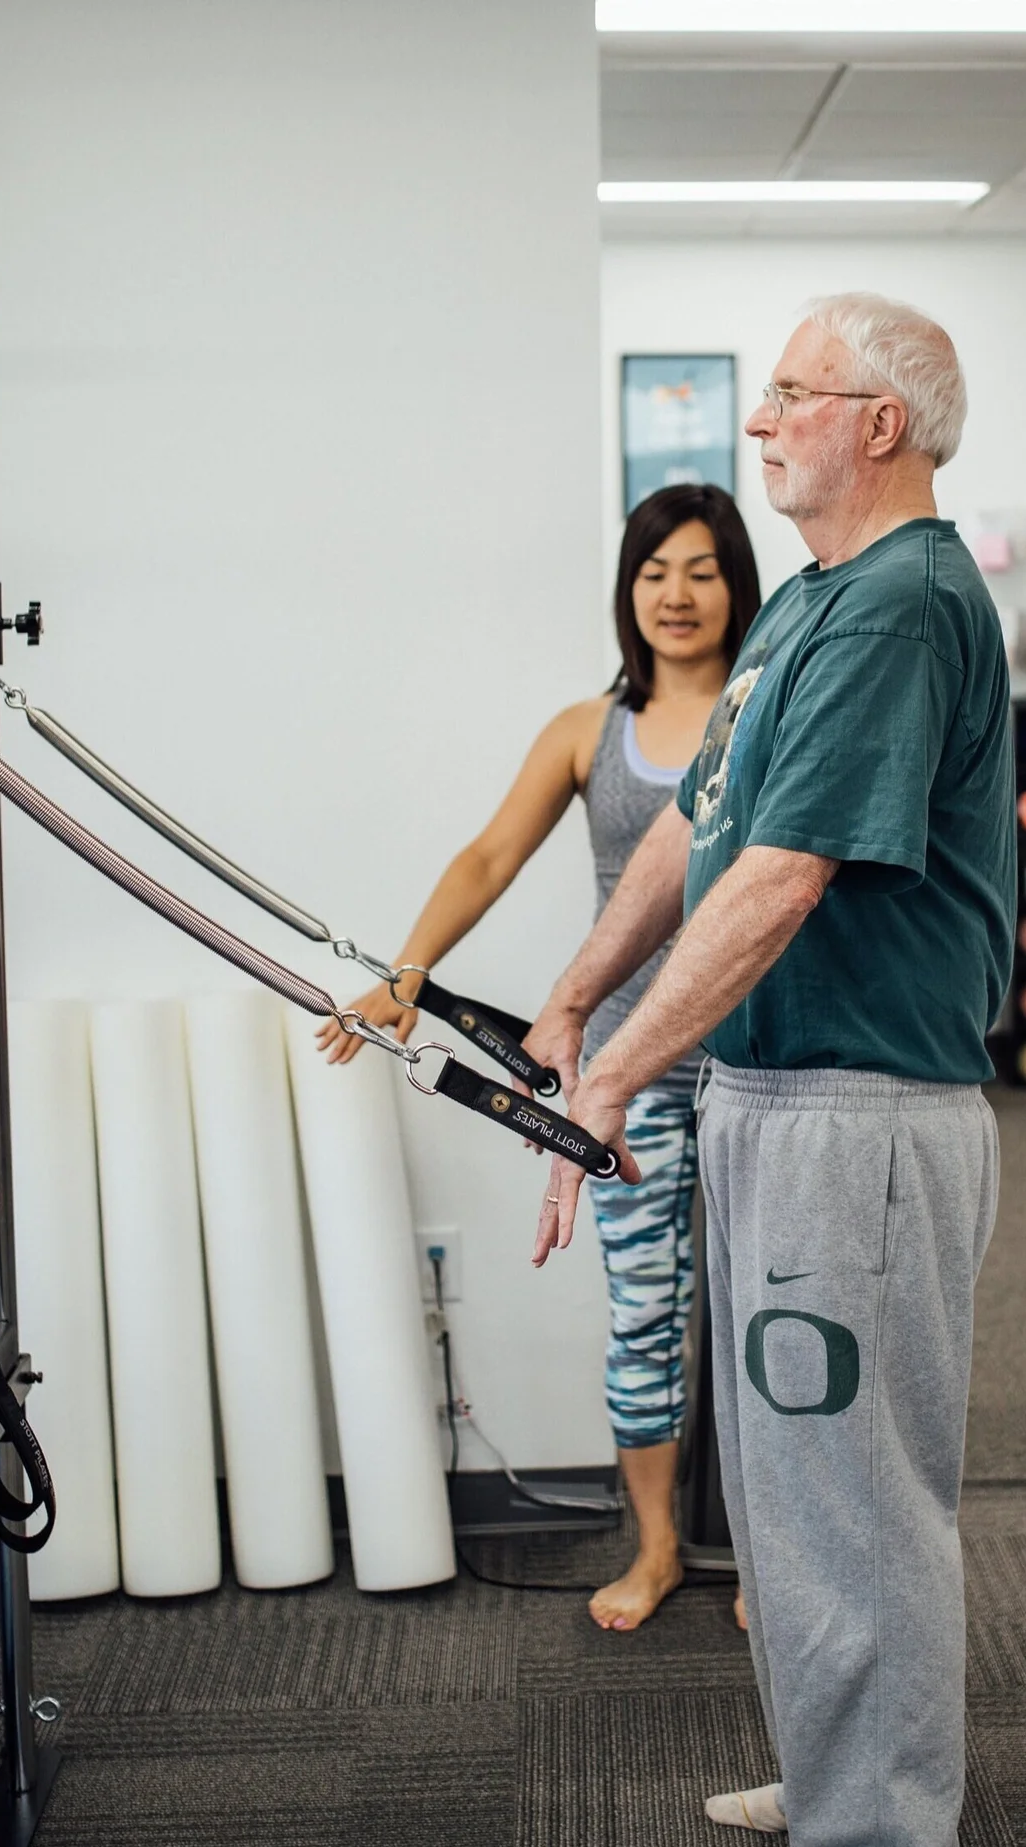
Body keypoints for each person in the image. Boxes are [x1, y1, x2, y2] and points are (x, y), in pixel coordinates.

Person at [525, 294, 1013, 1847]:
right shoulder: (814, 601)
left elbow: (785, 883)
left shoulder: (904, 609)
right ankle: (839, 1784)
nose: (761, 427)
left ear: (881, 424)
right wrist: (581, 1006)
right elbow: (695, 830)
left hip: (858, 1119)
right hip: (775, 1104)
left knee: (854, 1505)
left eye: (792, 397)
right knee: (795, 1499)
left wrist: (603, 1089)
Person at [315, 484, 761, 1633]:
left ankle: (773, 1557)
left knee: (765, 1316)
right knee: (646, 1316)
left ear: (737, 583)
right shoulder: (586, 732)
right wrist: (410, 976)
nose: (676, 592)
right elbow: (486, 855)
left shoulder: (772, 713)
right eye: (656, 569)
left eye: (702, 569)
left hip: (767, 1062)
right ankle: (658, 1548)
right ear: (628, 588)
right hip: (627, 1076)